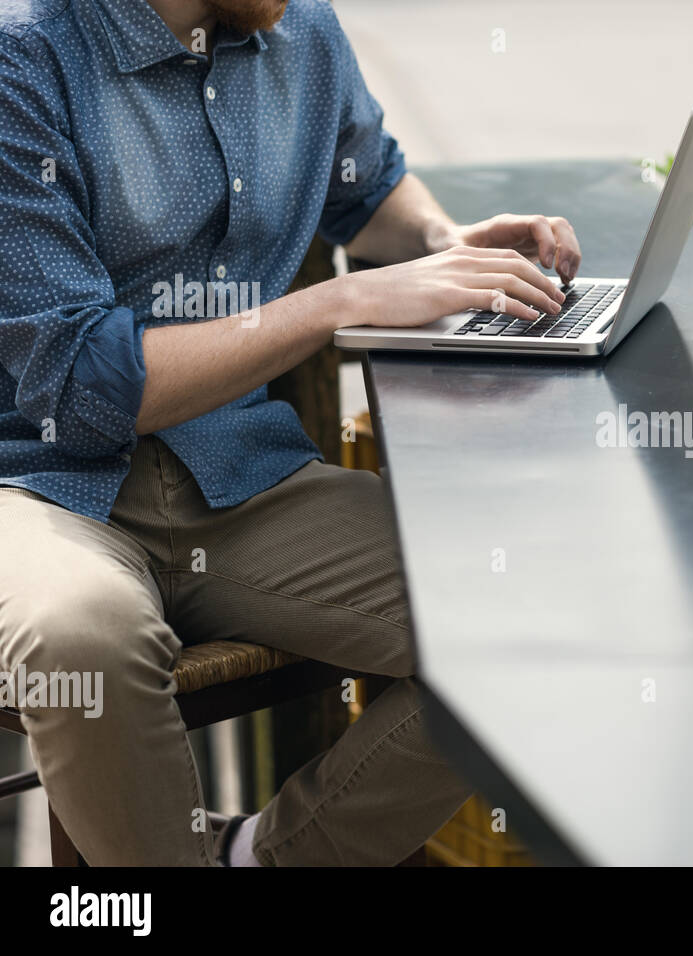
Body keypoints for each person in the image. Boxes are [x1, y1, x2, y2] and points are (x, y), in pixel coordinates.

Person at [0, 0, 581, 865]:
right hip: (43, 483)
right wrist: (337, 302)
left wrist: (439, 238)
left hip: (240, 471)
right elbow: (84, 387)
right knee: (81, 640)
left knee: (538, 622)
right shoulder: (26, 60)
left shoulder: (298, 28)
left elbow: (366, 185)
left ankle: (261, 857)